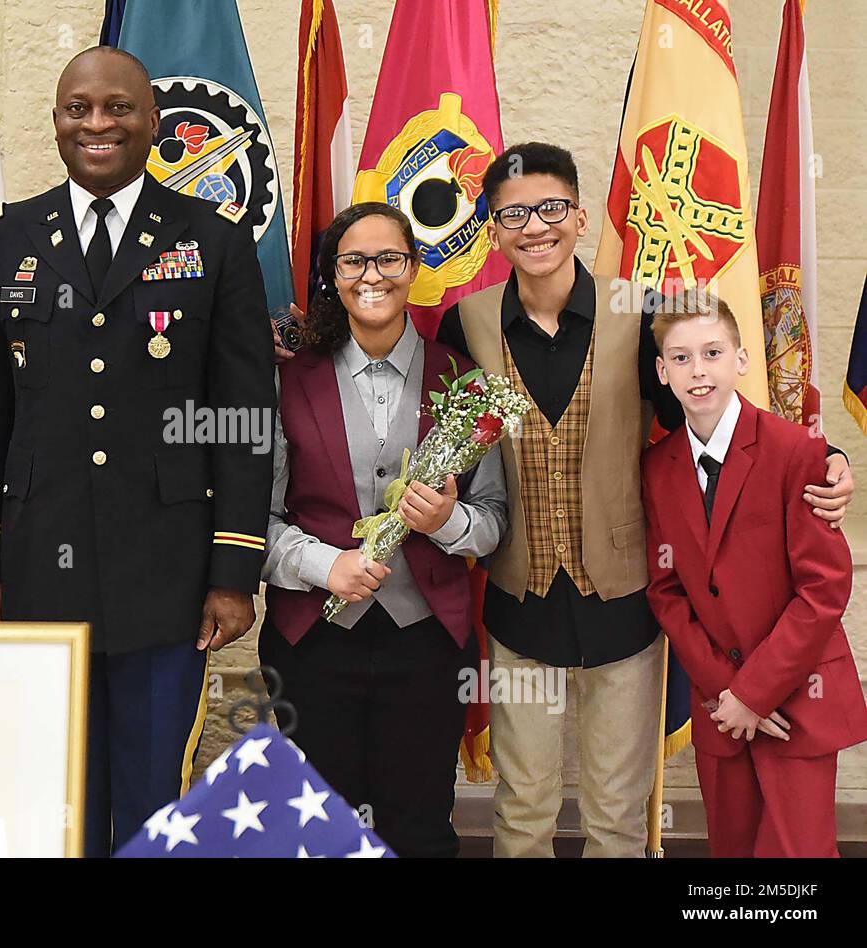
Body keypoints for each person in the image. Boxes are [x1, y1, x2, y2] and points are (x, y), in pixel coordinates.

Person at [433, 142, 854, 857]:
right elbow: (445, 441)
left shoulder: (641, 314)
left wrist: (826, 457)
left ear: (580, 215)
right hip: (517, 599)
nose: (535, 226)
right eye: (512, 214)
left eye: (551, 208)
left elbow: (713, 410)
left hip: (627, 600)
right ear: (492, 228)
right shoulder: (463, 324)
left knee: (617, 815)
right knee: (523, 809)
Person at [0, 46, 275, 856]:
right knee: (57, 792)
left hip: (166, 571)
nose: (97, 124)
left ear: (154, 124)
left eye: (117, 109)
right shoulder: (7, 238)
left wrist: (233, 569)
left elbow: (243, 415)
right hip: (36, 564)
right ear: (58, 121)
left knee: (148, 795)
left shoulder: (212, 238)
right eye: (79, 109)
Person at [260, 202, 508, 857]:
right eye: (353, 261)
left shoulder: (463, 379)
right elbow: (253, 524)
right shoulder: (287, 380)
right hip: (311, 641)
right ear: (333, 276)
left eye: (389, 258)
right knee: (316, 828)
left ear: (413, 267)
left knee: (419, 826)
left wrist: (450, 521)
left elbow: (495, 521)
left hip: (427, 645)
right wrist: (321, 565)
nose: (373, 274)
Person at [642, 290, 867, 857]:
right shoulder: (658, 467)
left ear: (742, 359)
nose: (699, 371)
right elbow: (668, 592)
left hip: (797, 696)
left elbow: (824, 589)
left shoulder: (796, 450)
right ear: (662, 371)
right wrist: (728, 693)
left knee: (797, 856)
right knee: (734, 852)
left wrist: (756, 693)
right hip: (721, 705)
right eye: (683, 357)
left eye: (713, 352)